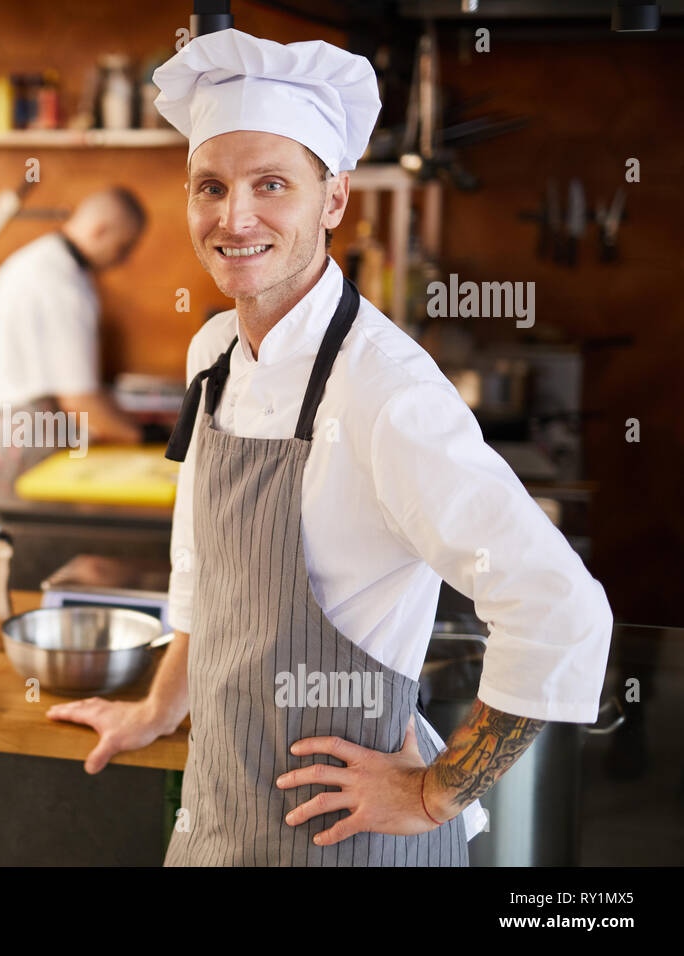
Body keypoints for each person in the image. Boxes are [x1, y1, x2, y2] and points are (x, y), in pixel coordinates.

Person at [47, 29, 613, 866]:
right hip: (220, 813)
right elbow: (203, 566)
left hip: (345, 839)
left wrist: (433, 793)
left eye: (272, 183)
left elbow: (559, 605)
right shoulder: (212, 354)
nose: (235, 217)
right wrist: (161, 706)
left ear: (335, 199)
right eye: (212, 186)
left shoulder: (385, 389)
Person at [0, 188, 146, 518]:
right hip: (21, 437)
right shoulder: (59, 282)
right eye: (123, 247)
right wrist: (143, 437)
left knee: (11, 551)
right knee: (24, 551)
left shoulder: (42, 262)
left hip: (13, 430)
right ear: (100, 229)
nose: (125, 259)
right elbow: (80, 401)